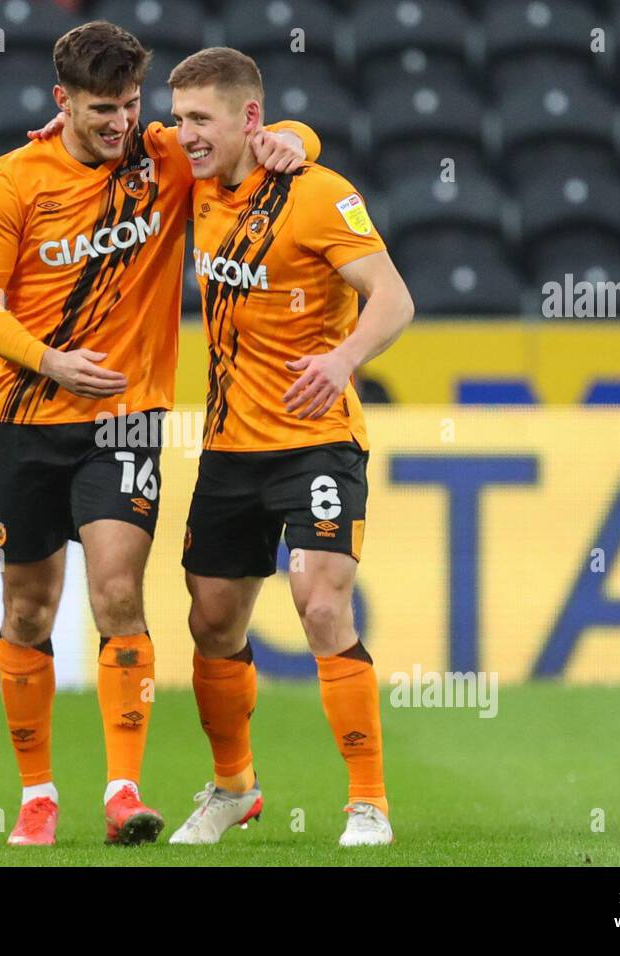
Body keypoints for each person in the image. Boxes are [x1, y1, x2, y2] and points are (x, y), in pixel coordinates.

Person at [0, 21, 320, 847]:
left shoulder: (161, 158)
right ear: (61, 103)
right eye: (99, 109)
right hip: (26, 417)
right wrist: (51, 360)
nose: (120, 122)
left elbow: (256, 135)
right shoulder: (13, 181)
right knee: (28, 607)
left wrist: (294, 140)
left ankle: (124, 791)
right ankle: (38, 795)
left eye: (128, 105)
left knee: (118, 592)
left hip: (125, 416)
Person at [163, 47, 414, 847]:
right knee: (212, 623)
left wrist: (342, 359)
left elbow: (394, 297)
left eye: (200, 119)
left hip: (317, 443)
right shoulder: (191, 181)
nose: (184, 134)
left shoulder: (317, 194)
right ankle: (235, 787)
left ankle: (368, 801)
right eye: (178, 118)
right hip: (230, 446)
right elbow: (108, 145)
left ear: (246, 119)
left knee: (320, 602)